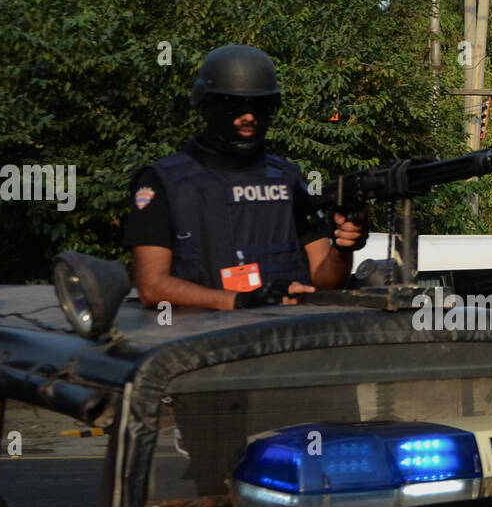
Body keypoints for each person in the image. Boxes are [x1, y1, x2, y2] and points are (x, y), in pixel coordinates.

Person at [123, 45, 368, 310]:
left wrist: (343, 249)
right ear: (207, 106)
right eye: (234, 106)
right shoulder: (164, 182)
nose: (249, 117)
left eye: (260, 107)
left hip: (290, 342)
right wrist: (242, 301)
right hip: (201, 345)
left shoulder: (287, 179)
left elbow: (325, 283)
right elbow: (152, 287)